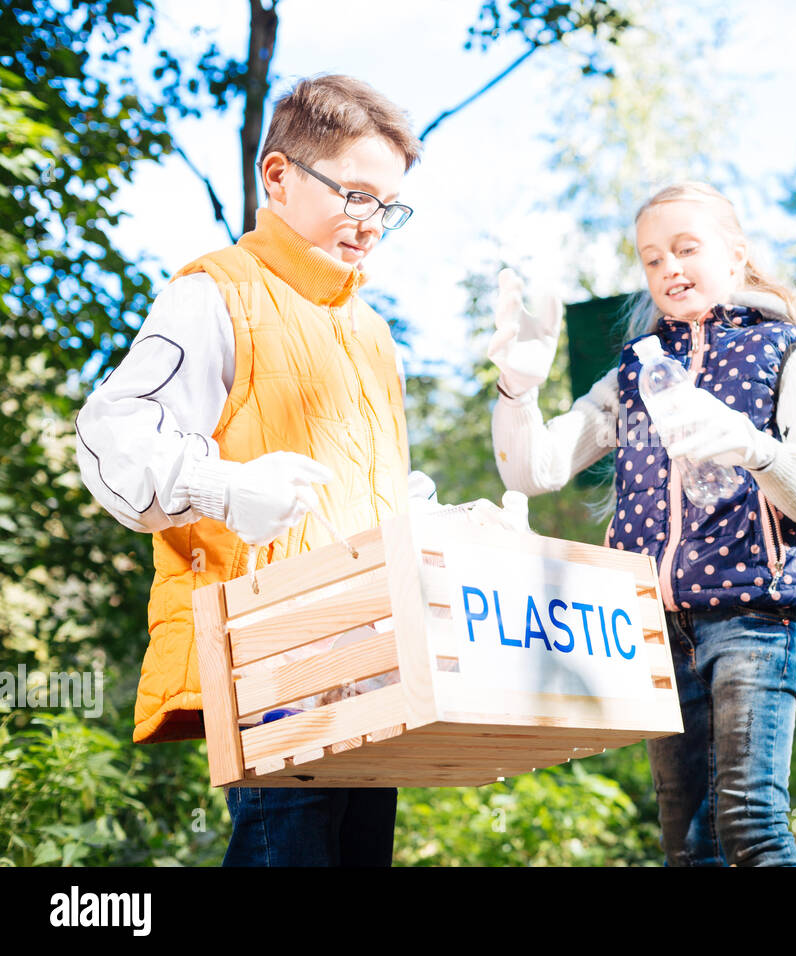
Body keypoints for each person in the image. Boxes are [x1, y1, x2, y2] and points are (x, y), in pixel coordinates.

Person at [75, 74, 508, 866]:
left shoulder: (372, 332)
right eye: (356, 195)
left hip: (372, 671)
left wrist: (443, 527)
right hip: (272, 667)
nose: (373, 223)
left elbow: (370, 488)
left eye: (390, 206)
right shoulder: (215, 296)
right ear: (278, 176)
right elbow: (110, 435)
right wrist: (225, 489)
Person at [488, 181, 796, 865]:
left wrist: (755, 448)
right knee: (687, 846)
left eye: (687, 249)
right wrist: (518, 387)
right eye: (652, 260)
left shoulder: (780, 353)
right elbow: (532, 470)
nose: (669, 269)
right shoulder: (631, 375)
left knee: (752, 829)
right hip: (653, 628)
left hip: (752, 617)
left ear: (736, 256)